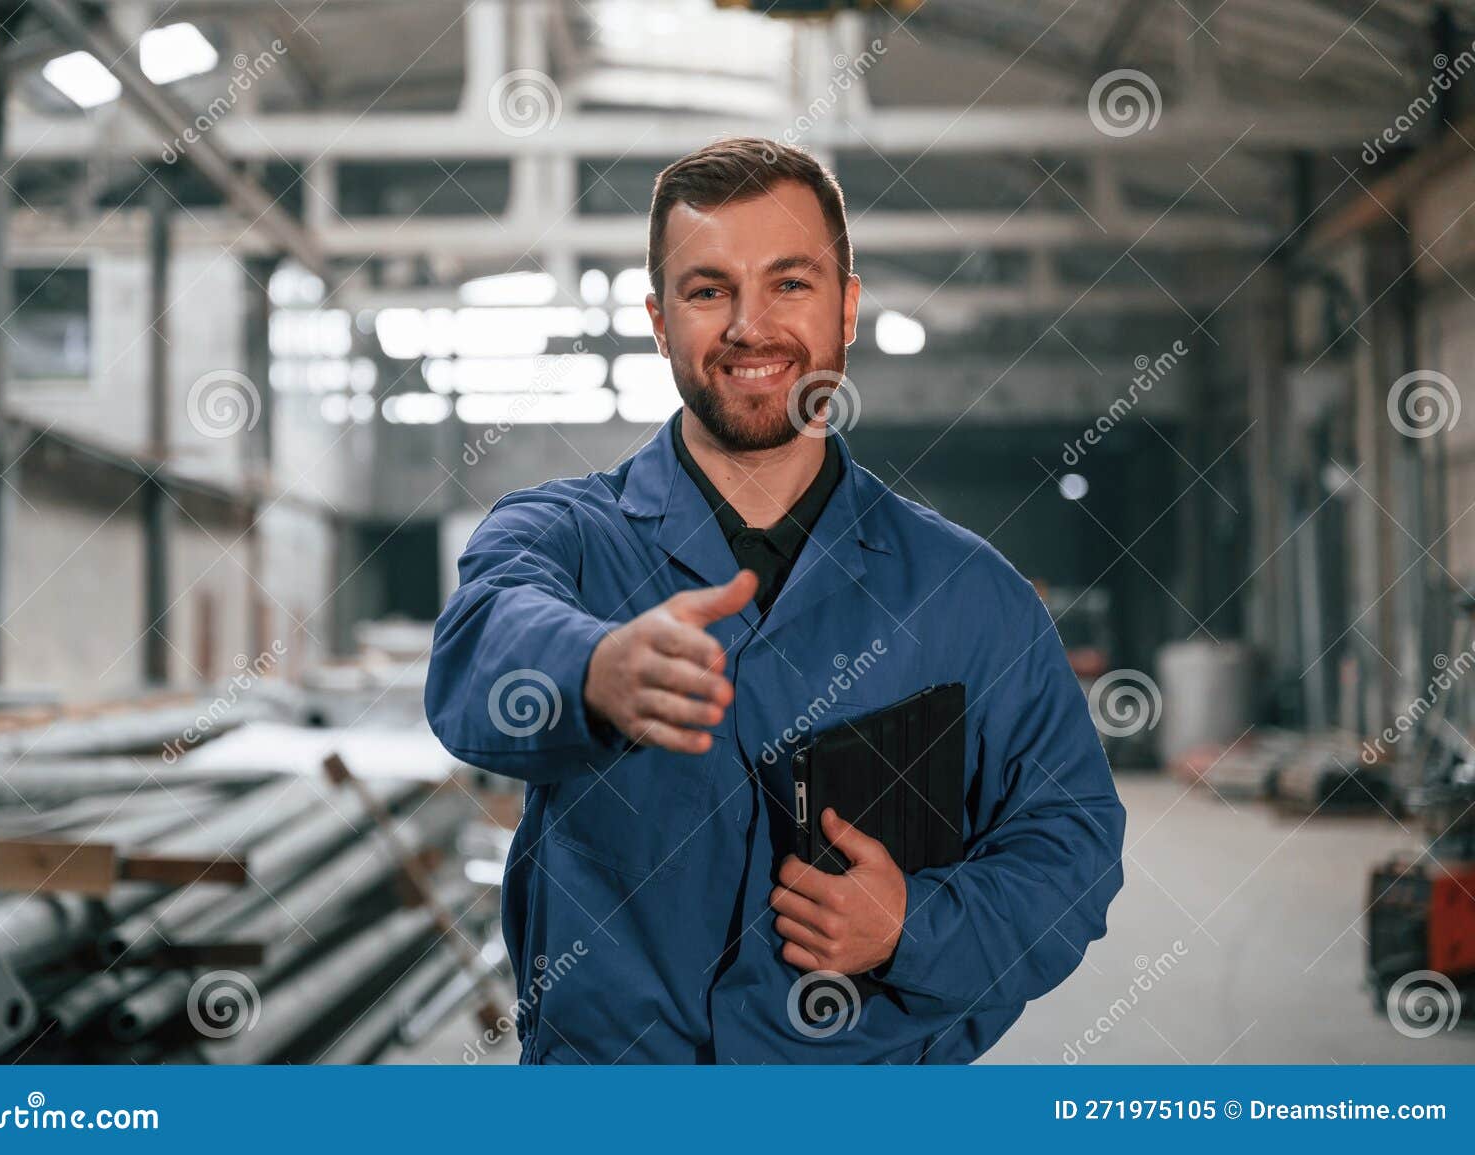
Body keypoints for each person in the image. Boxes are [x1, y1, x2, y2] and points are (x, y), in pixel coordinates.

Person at [426, 137, 1125, 1063]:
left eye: (789, 284)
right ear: (658, 319)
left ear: (848, 306)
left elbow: (1069, 848)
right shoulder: (565, 537)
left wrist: (911, 925)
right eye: (708, 290)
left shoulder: (971, 597)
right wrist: (593, 668)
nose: (750, 328)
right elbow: (482, 645)